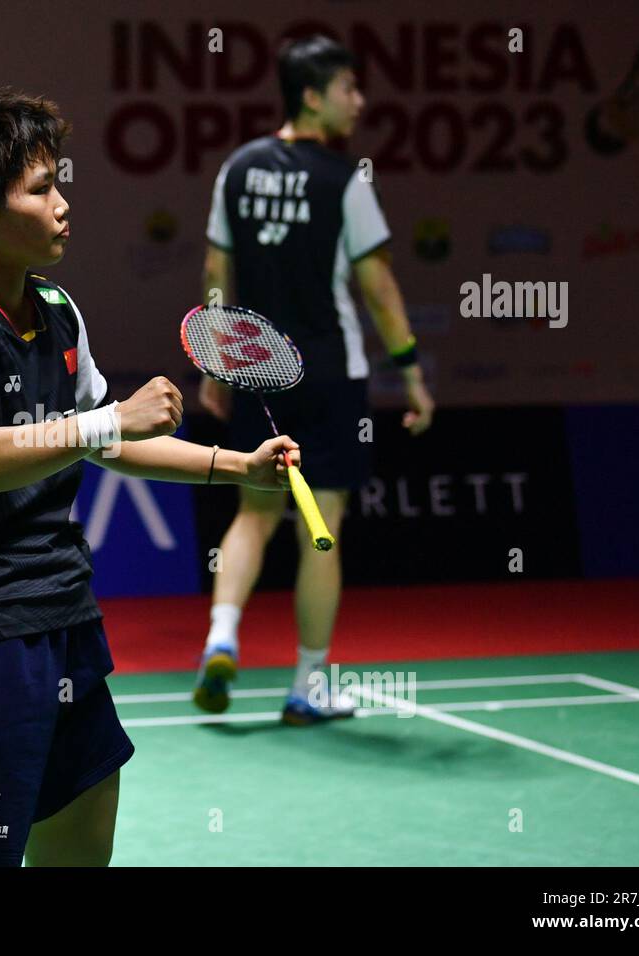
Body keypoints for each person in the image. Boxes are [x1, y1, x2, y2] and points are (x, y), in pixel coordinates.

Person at [0, 84, 302, 866]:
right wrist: (110, 420)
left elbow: (107, 445)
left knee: (82, 851)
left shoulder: (57, 312)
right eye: (41, 189)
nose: (63, 204)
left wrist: (237, 467)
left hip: (63, 620)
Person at [194, 35, 434, 725]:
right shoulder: (345, 180)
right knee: (320, 526)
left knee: (253, 513)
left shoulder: (236, 170)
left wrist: (216, 360)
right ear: (311, 94)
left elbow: (215, 274)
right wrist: (412, 373)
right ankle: (307, 685)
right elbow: (379, 288)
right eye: (348, 89)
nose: (359, 102)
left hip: (258, 371)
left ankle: (221, 636)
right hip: (330, 373)